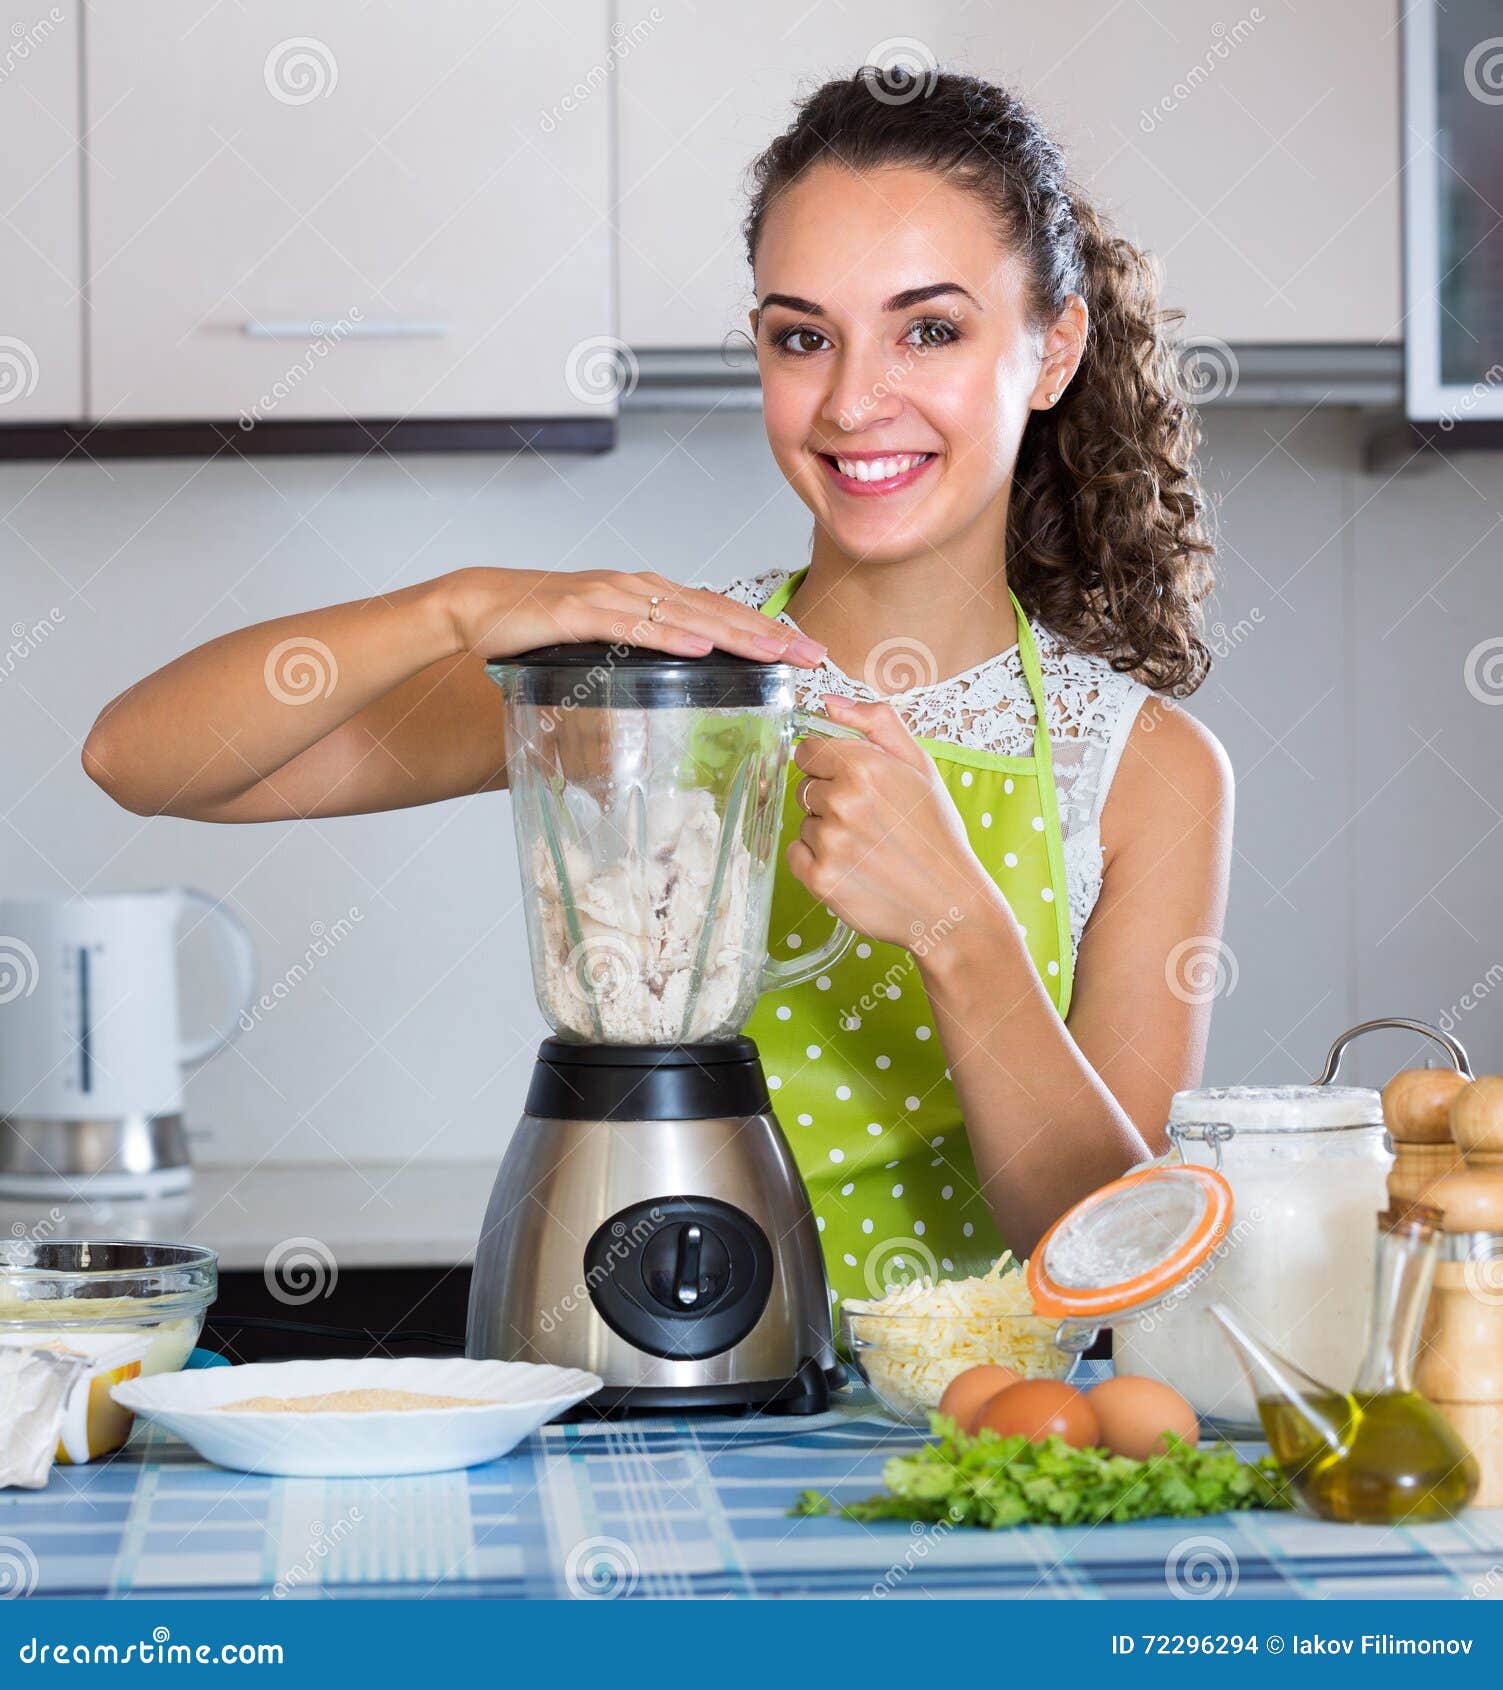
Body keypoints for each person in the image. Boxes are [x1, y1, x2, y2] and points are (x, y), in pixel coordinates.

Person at [83, 69, 1231, 1310]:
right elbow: (139, 763)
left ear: (1054, 348)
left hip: (966, 1437)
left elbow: (1124, 1258)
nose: (852, 401)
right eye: (804, 337)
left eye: (930, 330)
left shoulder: (1147, 770)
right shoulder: (647, 691)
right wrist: (455, 608)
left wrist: (961, 932)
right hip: (624, 1393)